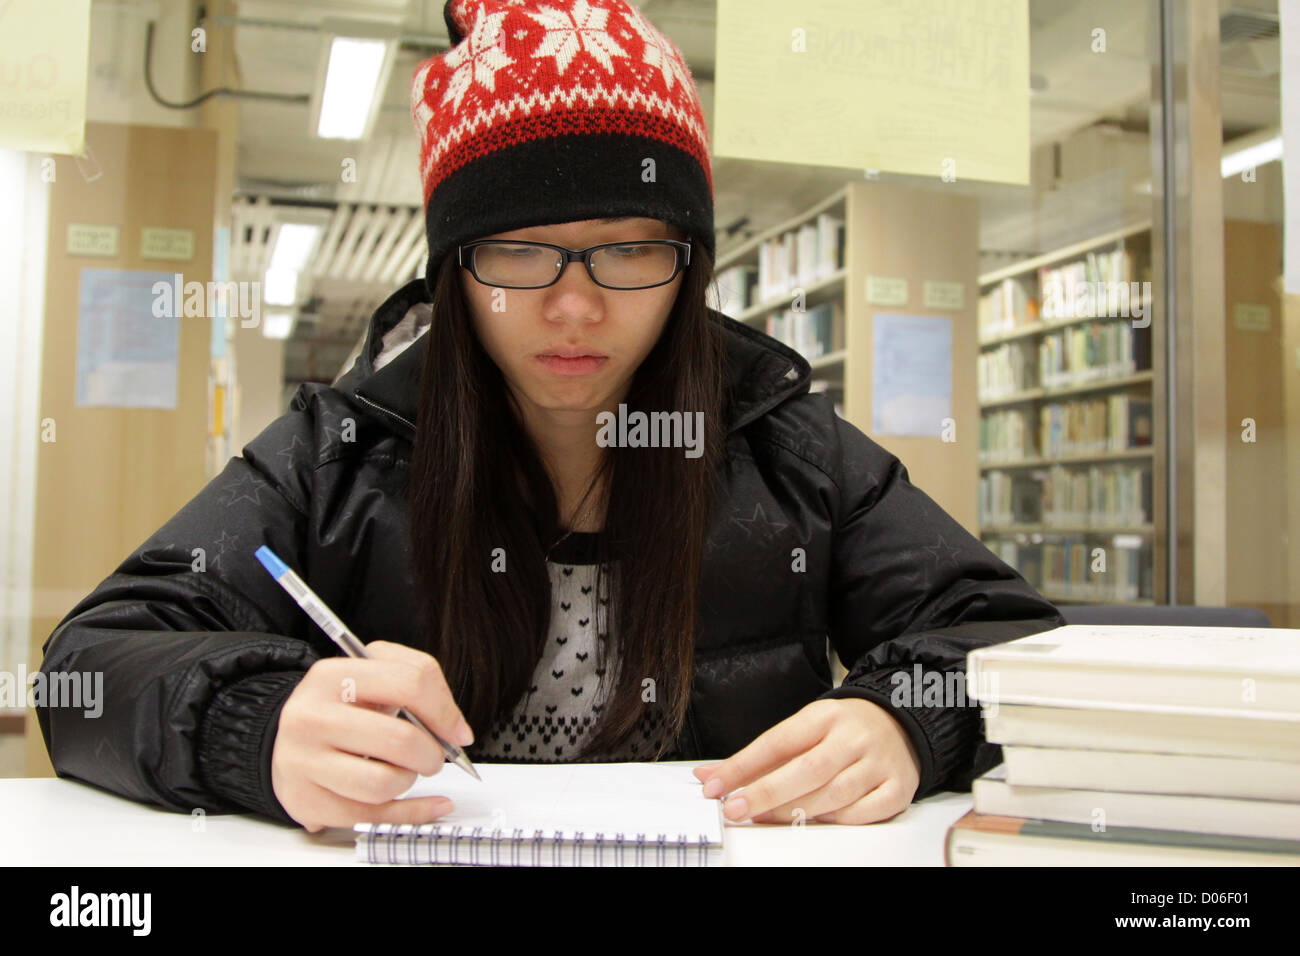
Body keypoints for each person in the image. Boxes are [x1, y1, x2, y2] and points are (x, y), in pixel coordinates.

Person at [37, 0, 1064, 833]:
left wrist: (903, 721)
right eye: (519, 251)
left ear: (688, 261)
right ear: (450, 266)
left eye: (628, 249)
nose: (574, 305)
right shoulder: (341, 447)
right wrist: (249, 723)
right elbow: (90, 662)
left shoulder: (781, 439)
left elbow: (1011, 643)